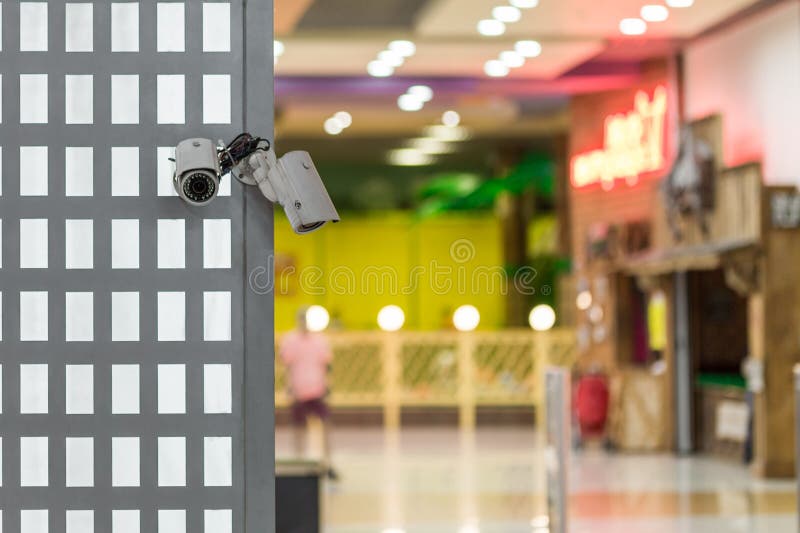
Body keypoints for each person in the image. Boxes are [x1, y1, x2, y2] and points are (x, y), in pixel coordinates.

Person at [280, 307, 337, 479]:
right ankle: (300, 461)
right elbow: (287, 364)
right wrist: (289, 386)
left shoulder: (320, 340)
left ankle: (328, 462)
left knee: (325, 425)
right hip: (299, 388)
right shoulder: (290, 340)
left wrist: (327, 385)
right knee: (298, 427)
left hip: (317, 388)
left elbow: (326, 364)